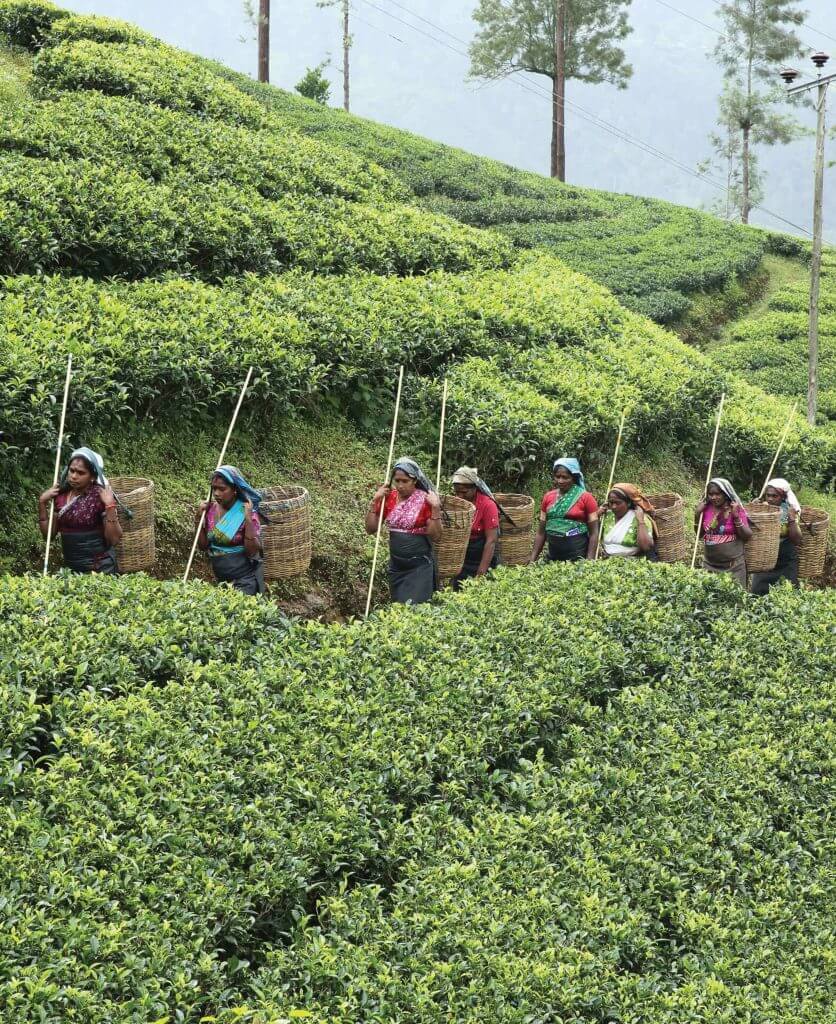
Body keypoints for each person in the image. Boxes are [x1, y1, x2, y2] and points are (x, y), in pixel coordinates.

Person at [366, 458, 442, 605]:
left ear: (415, 480)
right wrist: (375, 500)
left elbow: (436, 536)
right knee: (399, 607)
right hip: (397, 566)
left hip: (419, 567)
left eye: (405, 481)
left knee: (416, 608)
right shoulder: (389, 498)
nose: (400, 485)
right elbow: (370, 529)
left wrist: (435, 508)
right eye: (397, 480)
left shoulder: (425, 500)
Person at [39, 447, 122, 574]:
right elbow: (48, 535)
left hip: (101, 570)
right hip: (71, 570)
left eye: (80, 473)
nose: (73, 476)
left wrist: (110, 505)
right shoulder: (60, 497)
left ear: (93, 476)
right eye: (71, 471)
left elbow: (114, 540)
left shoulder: (100, 497)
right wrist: (42, 502)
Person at [196, 465, 265, 596]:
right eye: (214, 488)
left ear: (234, 489)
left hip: (244, 581)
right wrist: (198, 518)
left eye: (222, 489)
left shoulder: (245, 511)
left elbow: (251, 551)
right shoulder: (210, 510)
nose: (216, 493)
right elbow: (203, 546)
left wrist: (248, 519)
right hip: (221, 581)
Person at [530, 458, 599, 563]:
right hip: (553, 556)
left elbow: (594, 533)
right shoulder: (548, 497)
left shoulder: (586, 498)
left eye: (565, 477)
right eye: (557, 477)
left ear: (573, 478)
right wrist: (532, 560)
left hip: (578, 555)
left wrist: (590, 561)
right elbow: (541, 532)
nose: (560, 481)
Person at [695, 477, 752, 587]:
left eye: (717, 494)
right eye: (710, 494)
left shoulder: (735, 508)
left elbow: (747, 536)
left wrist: (736, 517)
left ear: (725, 494)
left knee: (734, 601)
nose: (713, 497)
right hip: (709, 566)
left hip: (733, 567)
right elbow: (700, 535)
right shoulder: (705, 508)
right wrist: (697, 514)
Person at [750, 477, 802, 595]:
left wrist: (792, 519)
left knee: (788, 595)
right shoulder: (762, 508)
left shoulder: (790, 510)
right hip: (765, 561)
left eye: (774, 496)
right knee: (757, 594)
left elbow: (797, 539)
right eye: (768, 495)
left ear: (783, 497)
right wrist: (753, 509)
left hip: (785, 561)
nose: (770, 499)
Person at [450, 466, 500, 588]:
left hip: (480, 558)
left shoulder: (487, 505)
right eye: (457, 492)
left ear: (474, 488)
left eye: (464, 492)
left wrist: (480, 574)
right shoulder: (456, 503)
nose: (459, 496)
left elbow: (491, 541)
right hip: (461, 559)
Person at [599, 483, 657, 559]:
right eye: (611, 502)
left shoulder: (640, 517)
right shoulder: (606, 516)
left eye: (618, 503)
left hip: (633, 563)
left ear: (628, 503)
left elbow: (646, 547)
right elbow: (594, 537)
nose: (613, 506)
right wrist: (596, 515)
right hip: (607, 561)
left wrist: (640, 521)